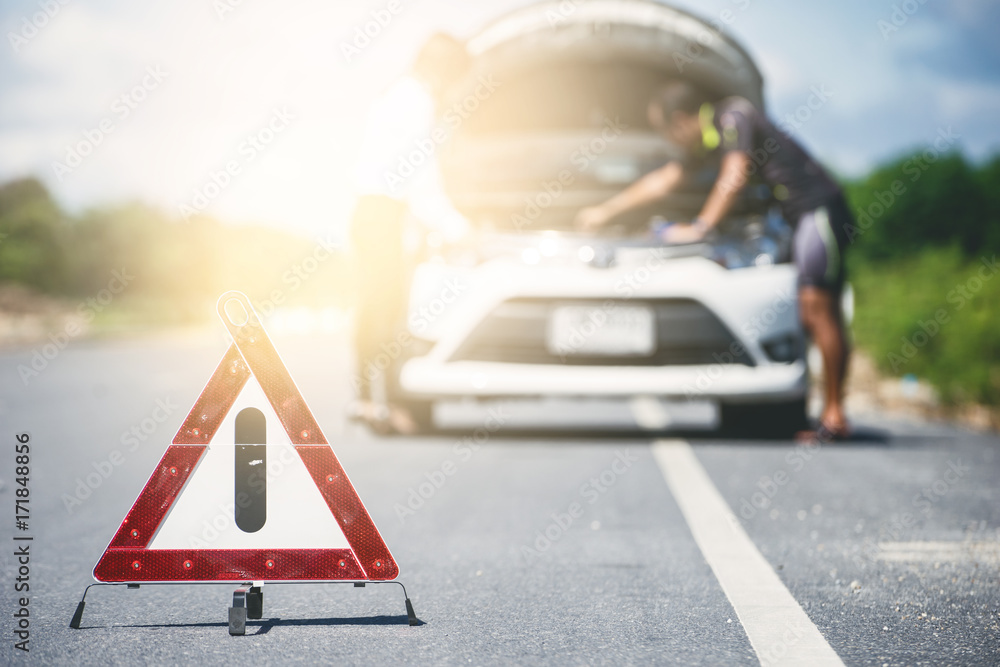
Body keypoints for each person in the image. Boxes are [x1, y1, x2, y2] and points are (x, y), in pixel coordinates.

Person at [576, 82, 852, 438]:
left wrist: (701, 227)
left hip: (818, 212)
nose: (670, 143)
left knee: (818, 308)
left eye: (666, 133)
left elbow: (734, 174)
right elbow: (664, 181)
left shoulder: (733, 116)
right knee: (809, 310)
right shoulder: (707, 140)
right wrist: (605, 211)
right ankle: (828, 411)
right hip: (798, 220)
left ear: (679, 121)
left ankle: (835, 416)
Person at [349, 33, 471, 434]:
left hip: (374, 211)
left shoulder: (398, 94)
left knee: (378, 307)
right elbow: (420, 178)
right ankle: (380, 406)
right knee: (387, 312)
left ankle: (369, 400)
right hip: (383, 212)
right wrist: (459, 228)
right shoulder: (414, 100)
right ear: (441, 70)